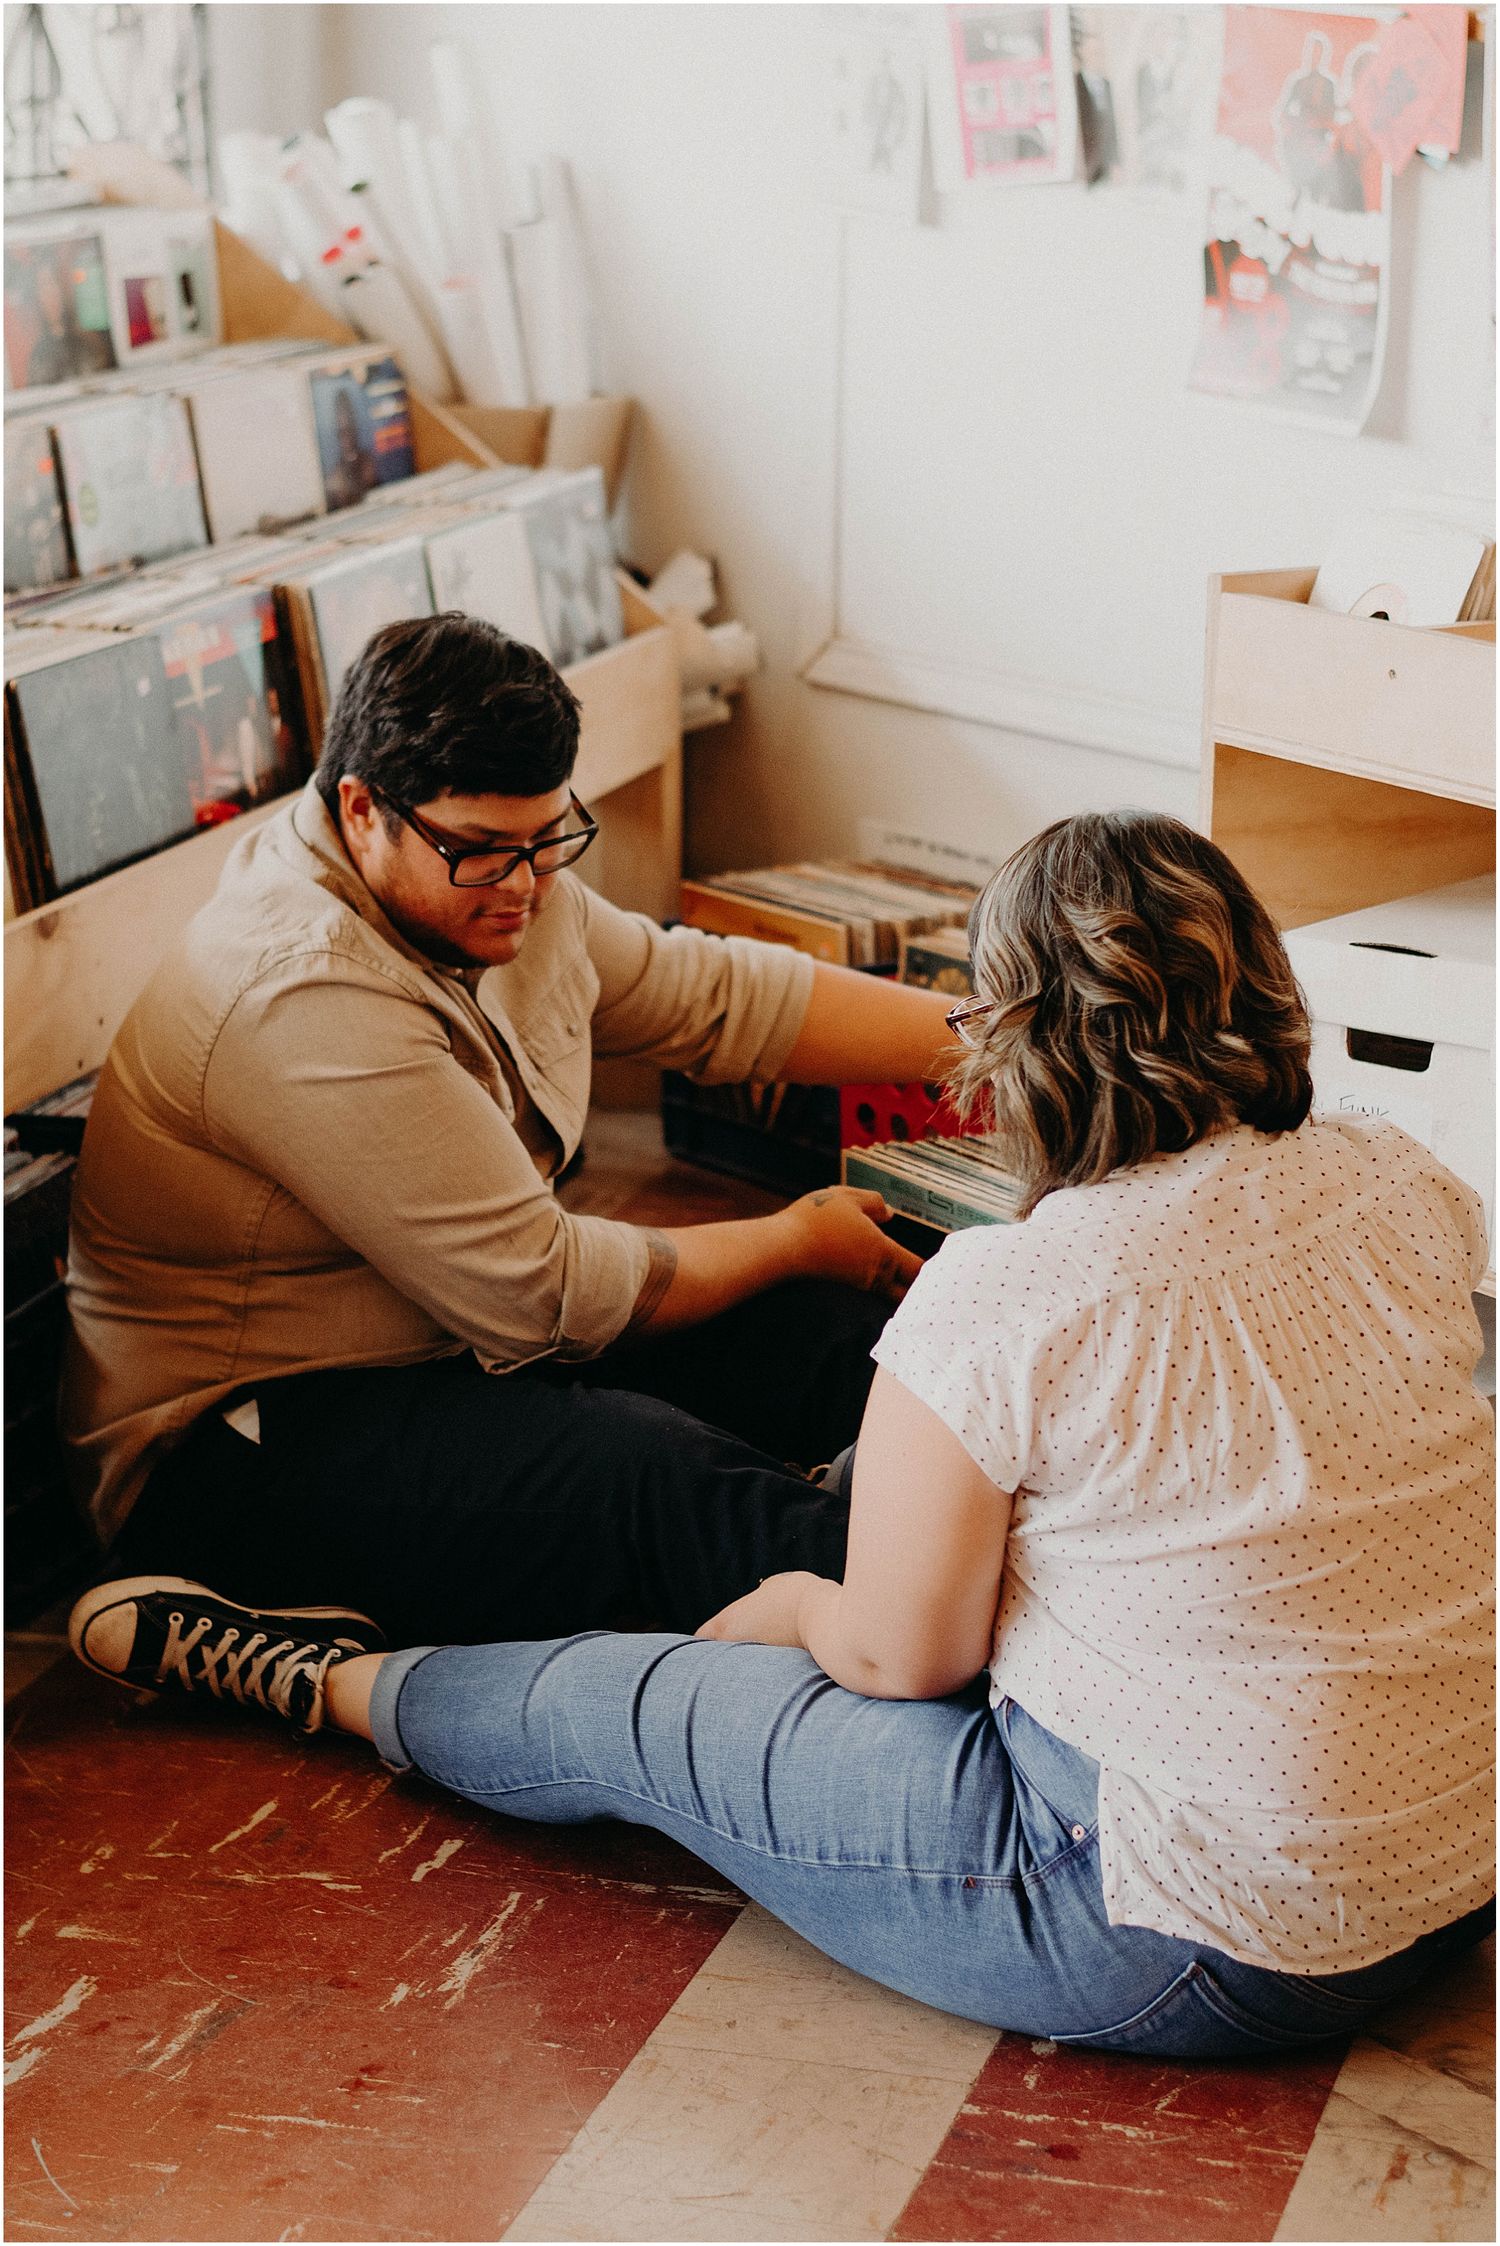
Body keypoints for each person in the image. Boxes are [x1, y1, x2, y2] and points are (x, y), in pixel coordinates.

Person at [71, 809, 1495, 2056]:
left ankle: (322, 1681)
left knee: (632, 1706)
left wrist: (798, 1606)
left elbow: (902, 1655)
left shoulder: (1011, 1286)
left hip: (1193, 1935)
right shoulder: (1400, 1170)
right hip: (1455, 1870)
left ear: (1003, 1044)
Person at [62, 613, 959, 1648]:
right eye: (485, 852)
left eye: (549, 838)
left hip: (449, 1343)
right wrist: (792, 1234)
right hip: (237, 1445)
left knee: (851, 1334)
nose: (529, 885)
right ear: (362, 810)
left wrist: (988, 1032)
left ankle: (1033, 1535)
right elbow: (547, 1296)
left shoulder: (492, 881)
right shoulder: (300, 990)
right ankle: (949, 1626)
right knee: (650, 1473)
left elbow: (712, 996)